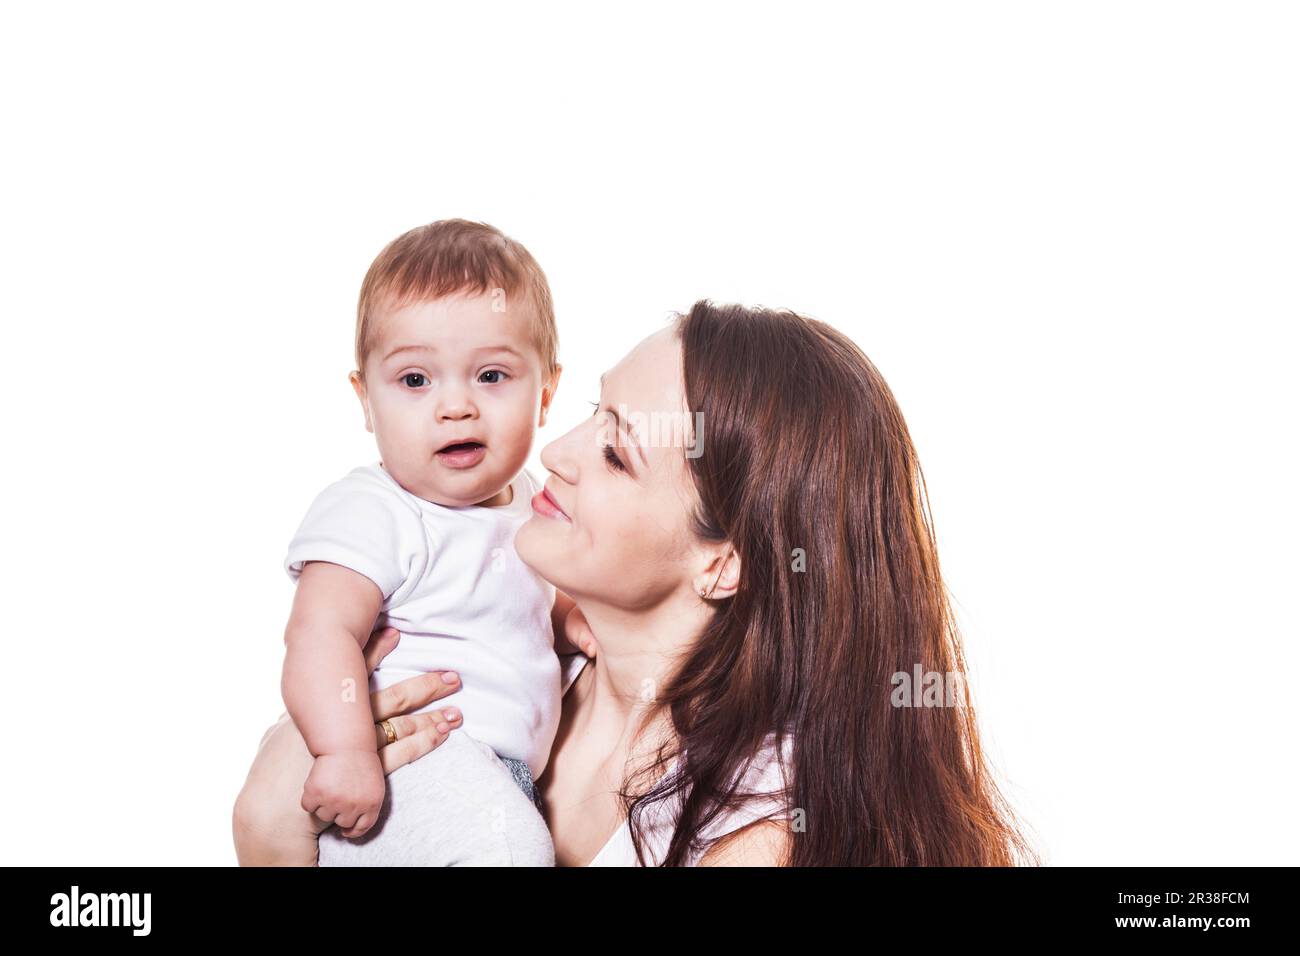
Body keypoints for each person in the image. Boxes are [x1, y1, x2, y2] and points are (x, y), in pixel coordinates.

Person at [234, 299, 1039, 866]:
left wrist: (272, 842)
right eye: (594, 410)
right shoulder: (516, 656)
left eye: (617, 454)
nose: (558, 452)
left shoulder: (755, 834)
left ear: (724, 563)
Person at [270, 218, 591, 866]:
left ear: (547, 394)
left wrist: (571, 620)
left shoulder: (529, 499)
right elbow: (318, 632)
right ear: (365, 400)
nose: (455, 407)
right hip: (406, 761)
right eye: (416, 380)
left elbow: (511, 600)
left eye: (492, 376)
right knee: (514, 850)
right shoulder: (375, 509)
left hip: (494, 774)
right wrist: (346, 751)